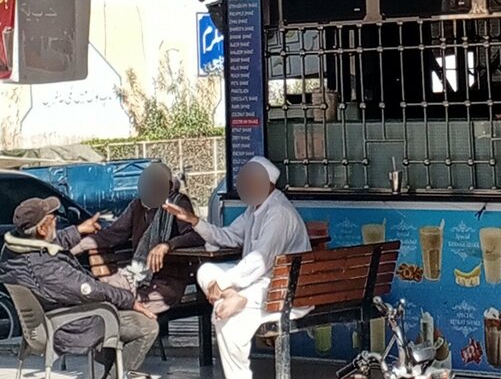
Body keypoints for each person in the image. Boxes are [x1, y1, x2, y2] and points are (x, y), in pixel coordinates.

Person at [164, 156, 310, 379]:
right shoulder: (254, 210)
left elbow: (259, 262)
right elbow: (227, 236)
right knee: (207, 273)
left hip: (284, 291)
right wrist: (194, 221)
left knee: (226, 317)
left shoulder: (279, 213)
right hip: (260, 286)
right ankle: (234, 297)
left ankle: (240, 298)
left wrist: (223, 283)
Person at [0, 196, 158, 377]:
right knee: (147, 326)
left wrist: (78, 230)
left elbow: (48, 245)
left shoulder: (12, 253)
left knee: (111, 306)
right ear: (43, 229)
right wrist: (130, 301)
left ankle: (108, 372)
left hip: (46, 319)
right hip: (71, 326)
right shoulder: (47, 269)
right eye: (54, 219)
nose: (57, 221)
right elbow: (89, 289)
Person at [72, 161, 204, 314]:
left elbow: (195, 235)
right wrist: (75, 246)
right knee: (101, 294)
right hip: (135, 275)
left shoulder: (178, 203)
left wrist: (167, 245)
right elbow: (113, 233)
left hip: (168, 281)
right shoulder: (137, 205)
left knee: (136, 304)